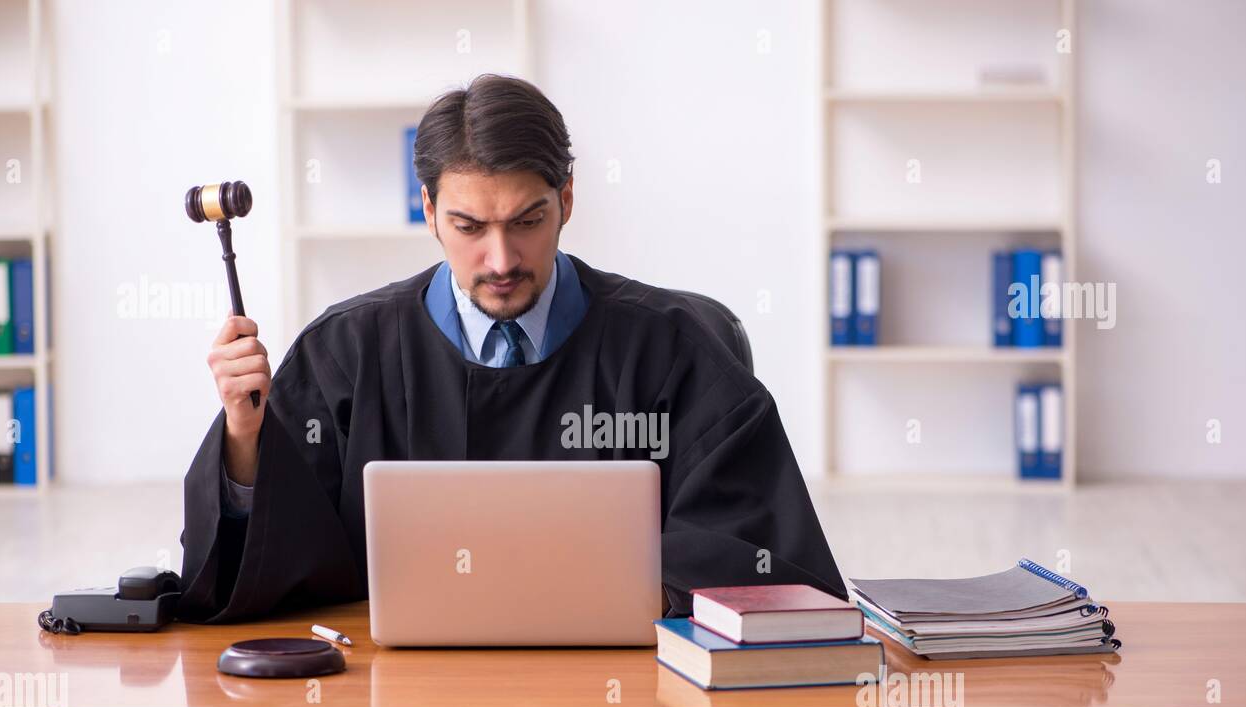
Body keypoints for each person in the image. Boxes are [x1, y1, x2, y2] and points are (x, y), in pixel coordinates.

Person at [176, 74, 846, 623]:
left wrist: (637, 595)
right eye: (470, 225)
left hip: (622, 693)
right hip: (399, 697)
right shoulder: (346, 350)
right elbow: (265, 566)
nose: (501, 259)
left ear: (568, 200)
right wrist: (243, 436)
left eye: (528, 221)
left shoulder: (672, 348)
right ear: (430, 210)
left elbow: (765, 557)